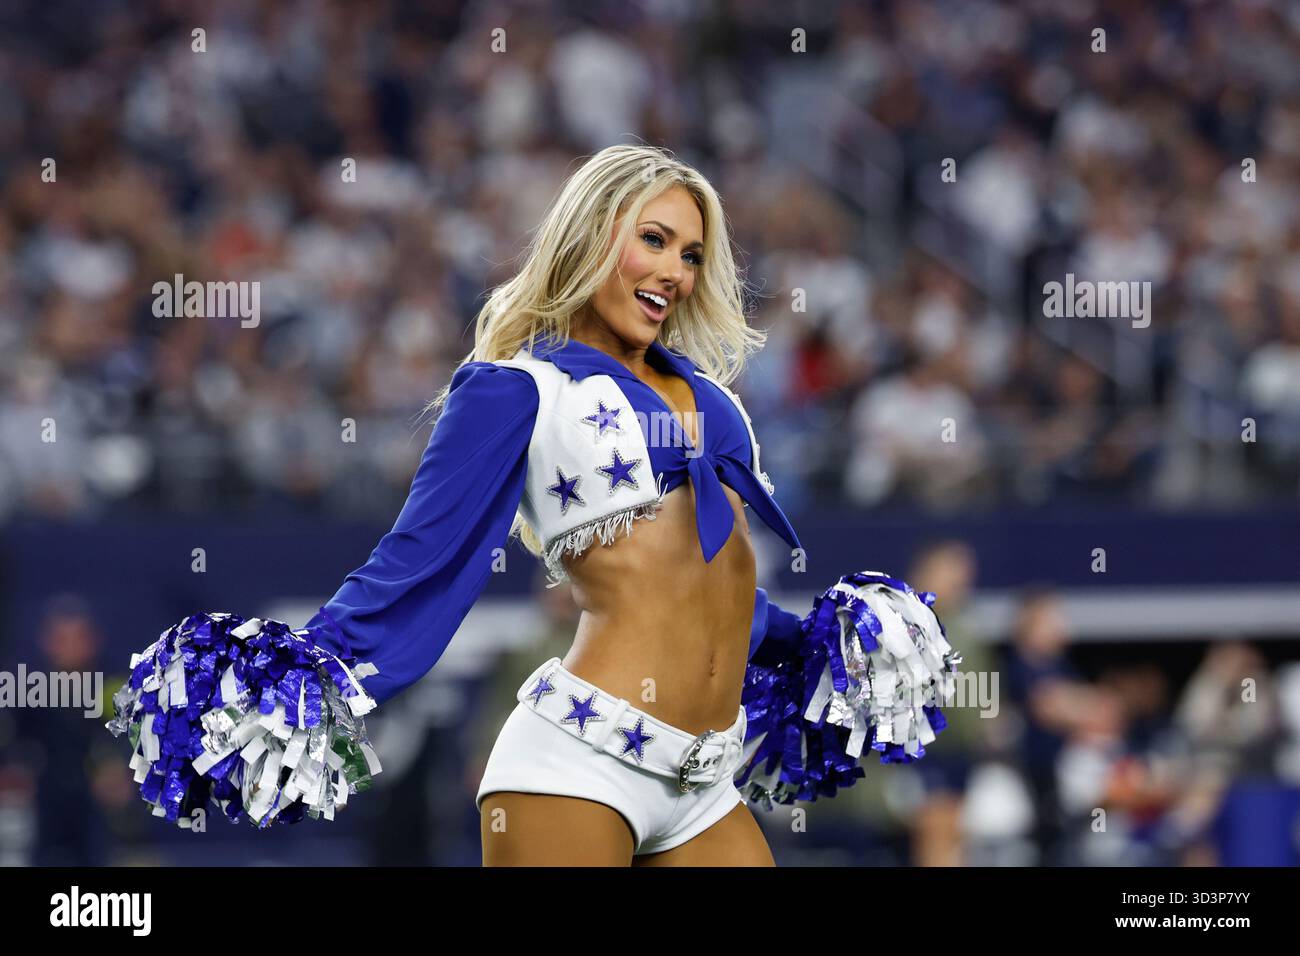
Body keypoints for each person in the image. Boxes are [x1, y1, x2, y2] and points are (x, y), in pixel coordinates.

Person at [110, 144, 956, 867]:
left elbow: (706, 584)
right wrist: (299, 672)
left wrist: (806, 643)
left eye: (691, 254)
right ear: (591, 239)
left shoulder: (710, 395)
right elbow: (421, 557)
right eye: (652, 240)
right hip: (580, 761)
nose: (672, 270)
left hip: (705, 778)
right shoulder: (516, 389)